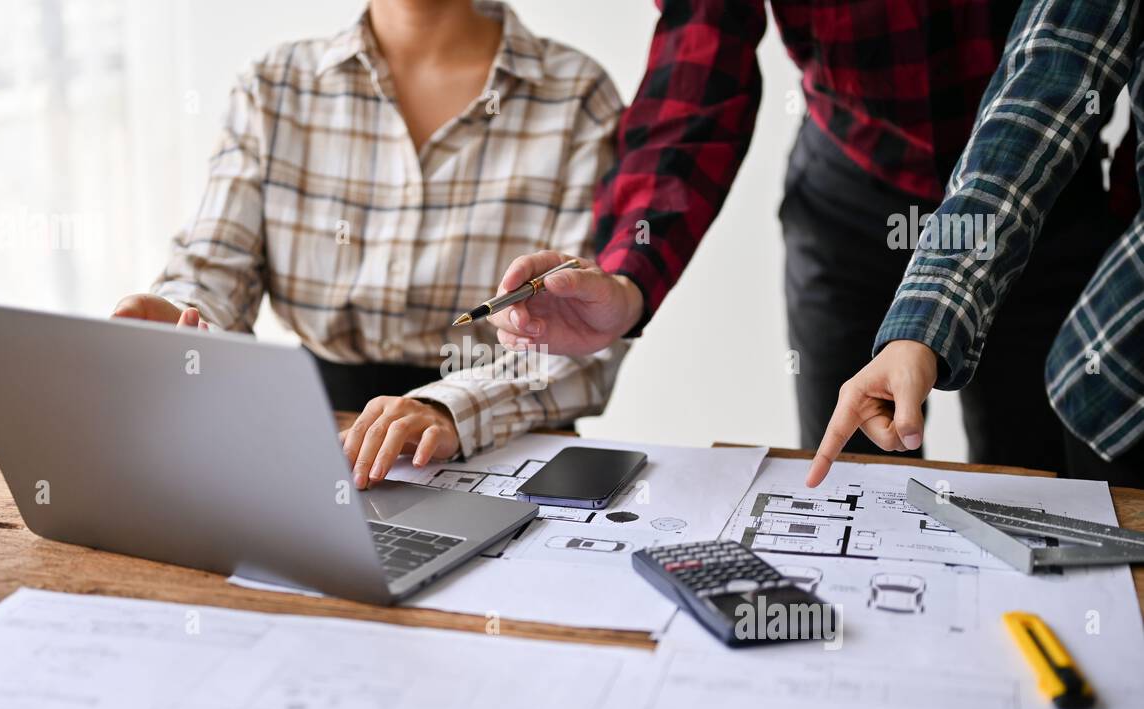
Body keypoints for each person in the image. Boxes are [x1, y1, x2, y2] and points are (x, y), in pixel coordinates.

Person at [486, 0, 1134, 475]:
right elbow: (701, 59)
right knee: (848, 479)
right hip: (849, 201)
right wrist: (629, 275)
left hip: (1039, 192)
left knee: (1033, 492)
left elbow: (1057, 71)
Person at [112, 0, 628, 489]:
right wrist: (180, 317)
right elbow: (216, 267)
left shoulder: (577, 97)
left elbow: (588, 339)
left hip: (509, 450)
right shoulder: (275, 87)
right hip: (318, 443)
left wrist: (452, 408)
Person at [807, 0, 1144, 490]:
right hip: (1125, 394)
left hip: (1071, 252)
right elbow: (1047, 84)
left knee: (1023, 473)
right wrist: (922, 324)